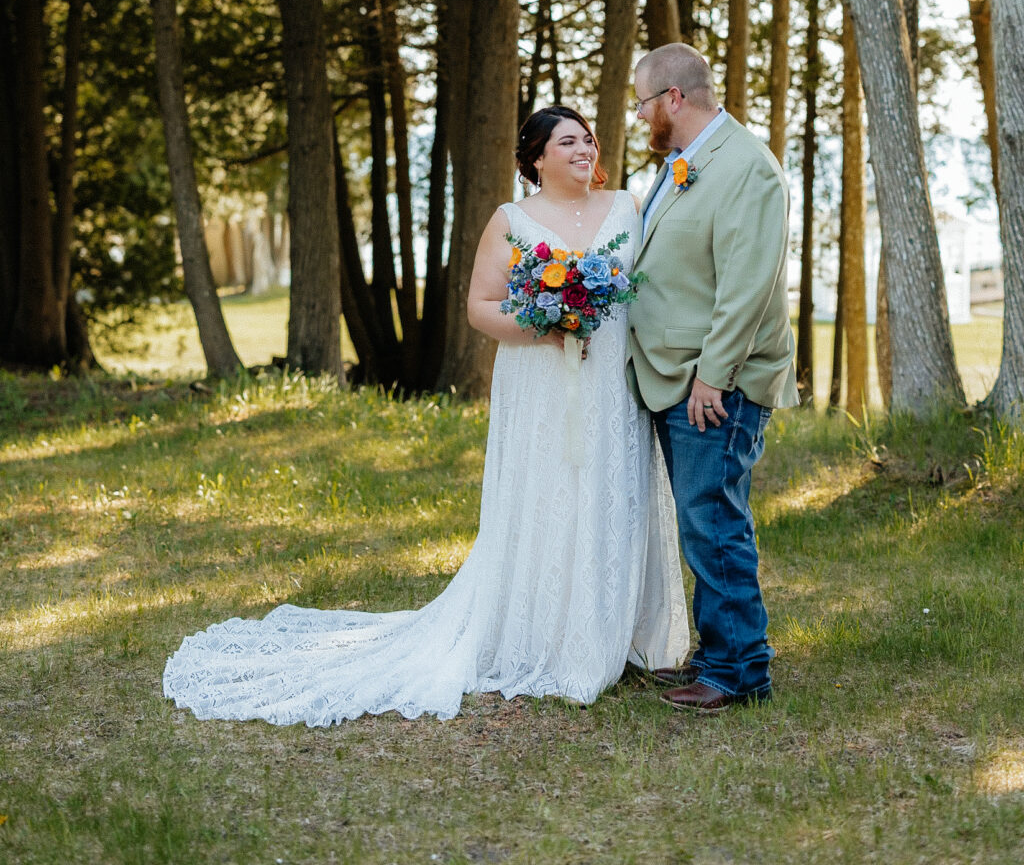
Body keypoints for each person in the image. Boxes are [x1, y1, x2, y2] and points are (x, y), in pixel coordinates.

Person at [163, 104, 688, 725]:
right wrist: (543, 323)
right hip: (541, 384)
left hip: (611, 385)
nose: (583, 149)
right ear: (536, 158)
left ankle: (622, 634)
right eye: (567, 141)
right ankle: (550, 638)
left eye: (588, 139)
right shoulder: (512, 220)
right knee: (548, 496)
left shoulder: (626, 207)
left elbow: (654, 288)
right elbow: (480, 306)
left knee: (612, 492)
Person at [629, 44, 798, 716]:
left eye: (643, 103)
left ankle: (738, 670)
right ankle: (719, 650)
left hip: (714, 382)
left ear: (673, 98)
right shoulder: (684, 163)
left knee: (714, 522)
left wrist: (712, 377)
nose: (640, 116)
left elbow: (747, 286)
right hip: (676, 374)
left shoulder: (747, 167)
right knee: (702, 522)